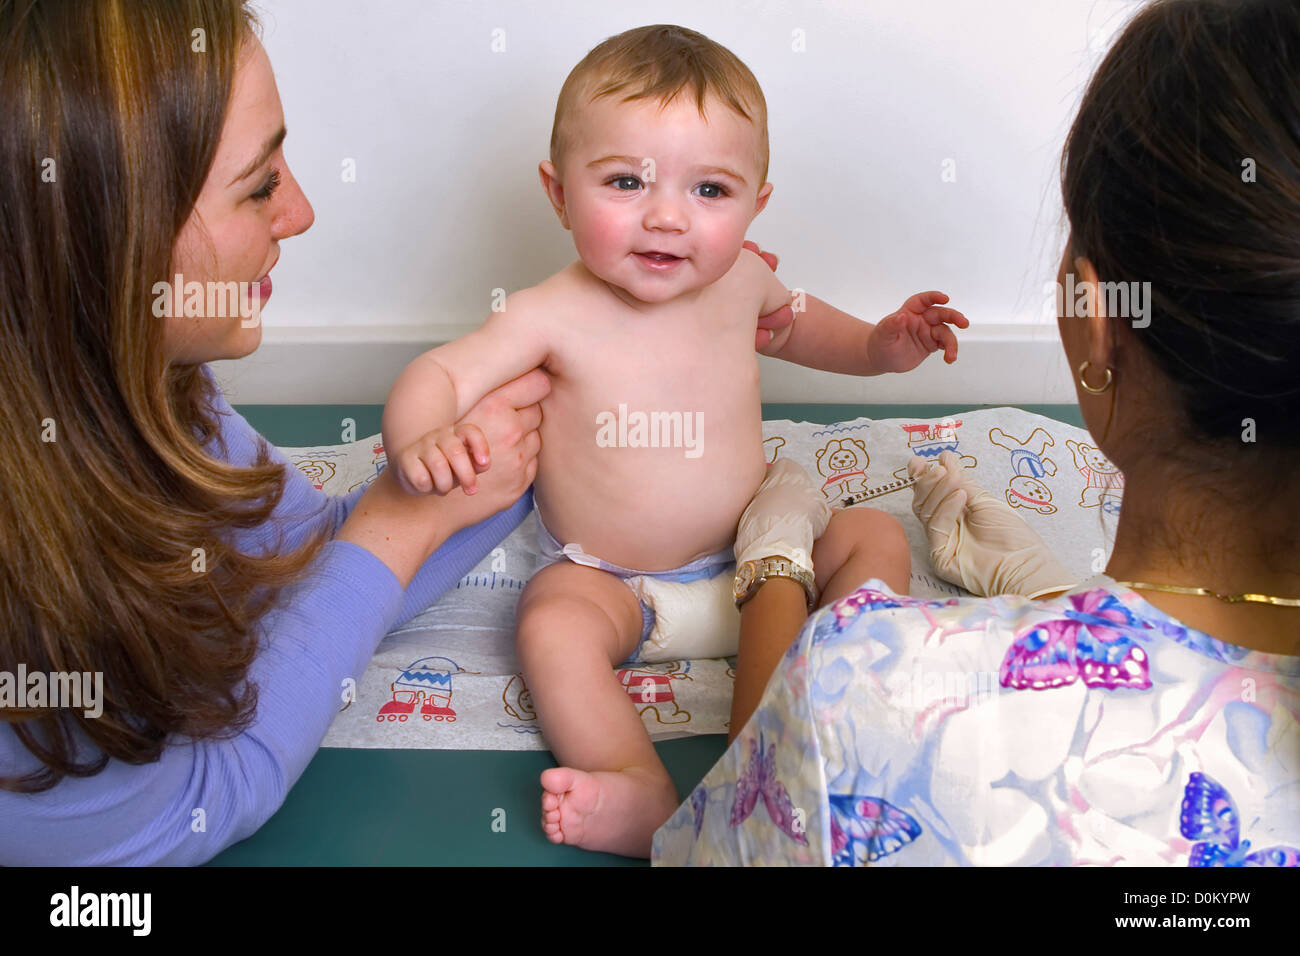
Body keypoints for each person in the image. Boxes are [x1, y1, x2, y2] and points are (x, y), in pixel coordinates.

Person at [655, 0, 1300, 866]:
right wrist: (1049, 589)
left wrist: (774, 567)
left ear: (1095, 320)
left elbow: (741, 819)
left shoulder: (867, 694)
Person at [379, 24, 968, 858]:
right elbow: (439, 373)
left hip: (759, 573)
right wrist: (420, 440)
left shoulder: (744, 281)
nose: (665, 216)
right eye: (625, 181)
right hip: (616, 589)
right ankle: (639, 789)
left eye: (711, 192)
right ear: (557, 192)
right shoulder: (551, 312)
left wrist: (881, 345)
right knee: (550, 625)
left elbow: (812, 330)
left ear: (757, 202)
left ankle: (832, 700)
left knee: (872, 535)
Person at [0, 0, 553, 865]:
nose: (299, 212)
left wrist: (491, 463)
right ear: (107, 235)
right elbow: (179, 811)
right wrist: (397, 528)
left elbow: (309, 566)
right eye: (258, 185)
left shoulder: (158, 387)